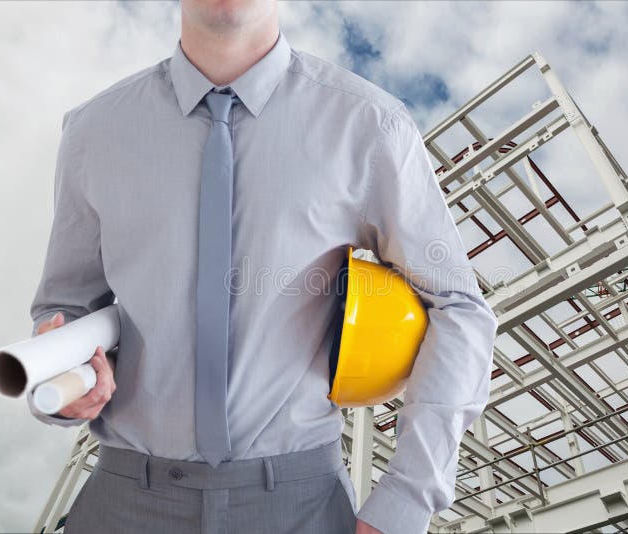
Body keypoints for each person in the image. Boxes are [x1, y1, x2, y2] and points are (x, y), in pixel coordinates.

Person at [29, 1, 497, 533]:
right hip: (123, 503)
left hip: (300, 507)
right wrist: (64, 381)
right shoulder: (94, 131)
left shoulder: (370, 125)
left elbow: (459, 307)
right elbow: (63, 304)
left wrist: (406, 501)